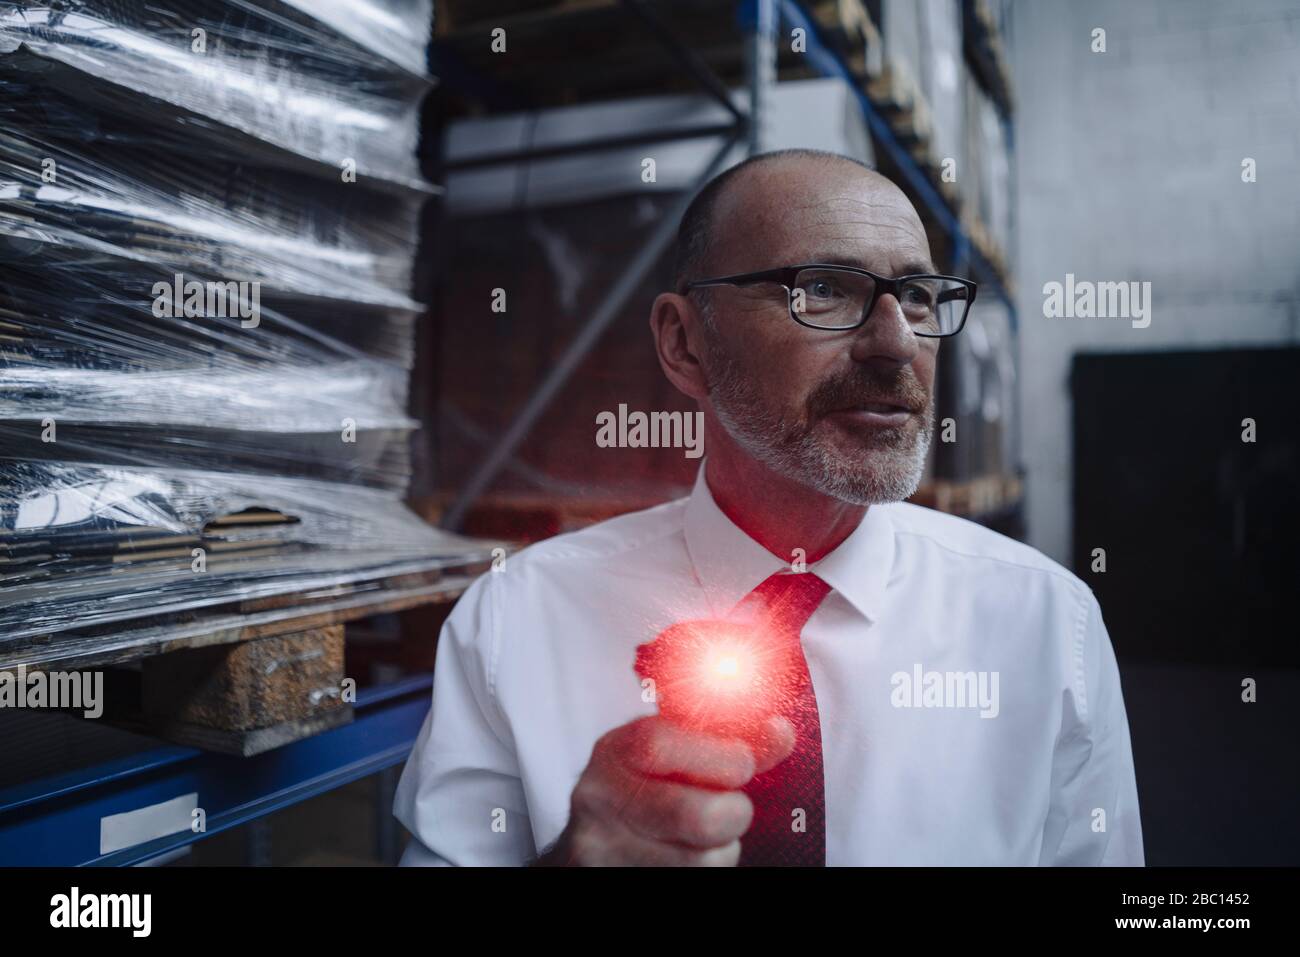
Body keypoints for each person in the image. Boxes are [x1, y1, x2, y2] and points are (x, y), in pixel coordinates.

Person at [394, 148, 1143, 866]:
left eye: (917, 296)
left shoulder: (1046, 627)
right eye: (823, 288)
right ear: (685, 344)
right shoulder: (514, 624)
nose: (895, 342)